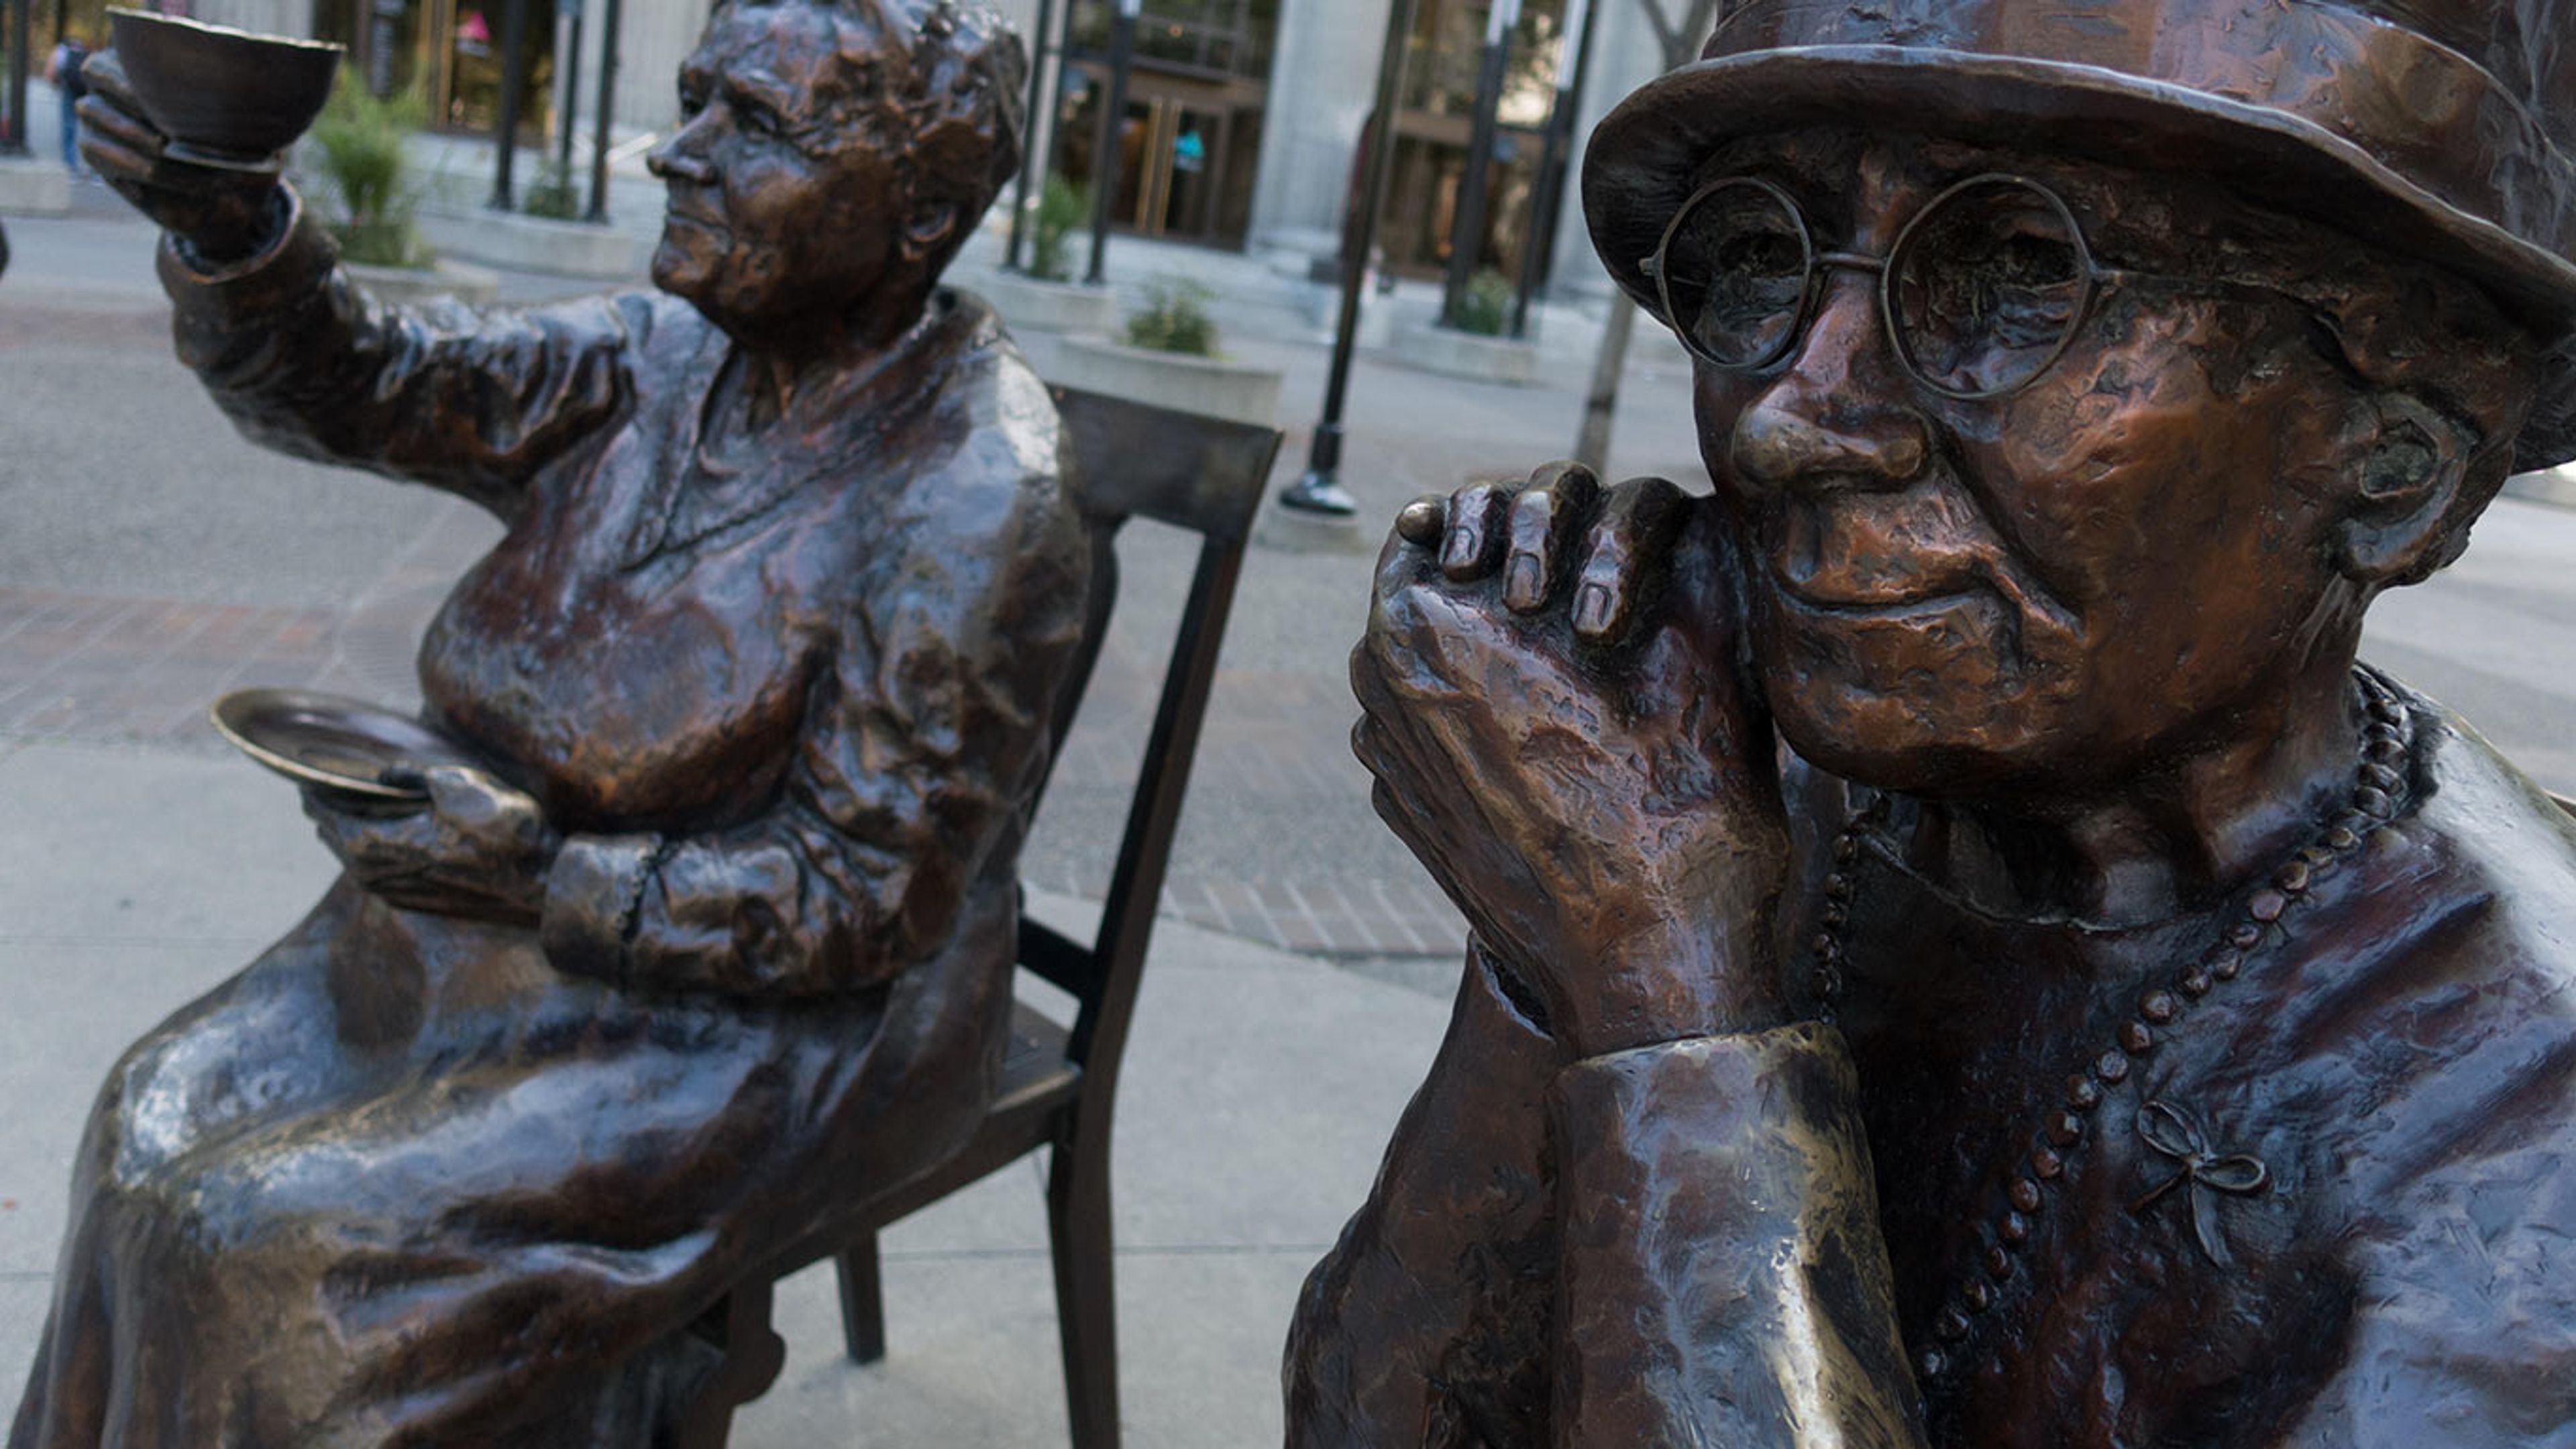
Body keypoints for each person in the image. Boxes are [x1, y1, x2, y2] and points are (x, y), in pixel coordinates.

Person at [1290, 0, 2576, 1442]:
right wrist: (1563, 939)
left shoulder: (2530, 1137)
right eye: (1763, 257)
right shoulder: (1714, 800)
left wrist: (1670, 996)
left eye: (2016, 276)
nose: (1788, 420)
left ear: (2396, 462)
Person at [8, 0, 1090, 1443]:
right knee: (143, 1122)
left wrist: (538, 879)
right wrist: (235, 232)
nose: (674, 154)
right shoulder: (660, 352)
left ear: (923, 213)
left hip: (762, 1021)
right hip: (474, 931)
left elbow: (859, 898)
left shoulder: (975, 497)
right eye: (694, 100)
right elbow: (379, 382)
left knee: (264, 1249)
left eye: (751, 126)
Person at [43, 32, 87, 177]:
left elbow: (50, 71)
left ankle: (70, 164)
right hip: (84, 91)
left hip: (69, 91)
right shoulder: (84, 51)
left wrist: (54, 86)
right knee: (86, 128)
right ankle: (91, 168)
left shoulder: (60, 51)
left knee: (69, 126)